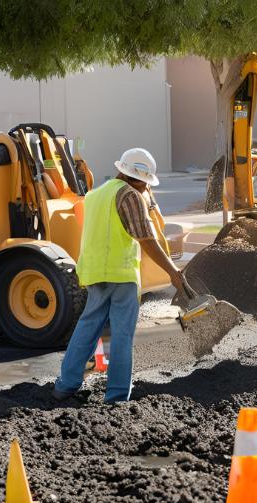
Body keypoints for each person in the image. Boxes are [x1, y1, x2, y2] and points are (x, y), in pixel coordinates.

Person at [53, 148, 185, 403]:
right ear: (135, 178)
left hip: (93, 272)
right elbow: (146, 238)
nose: (146, 188)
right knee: (122, 336)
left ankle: (65, 386)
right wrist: (172, 272)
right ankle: (116, 396)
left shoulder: (94, 195)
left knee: (87, 327)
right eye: (145, 183)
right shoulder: (129, 195)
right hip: (121, 274)